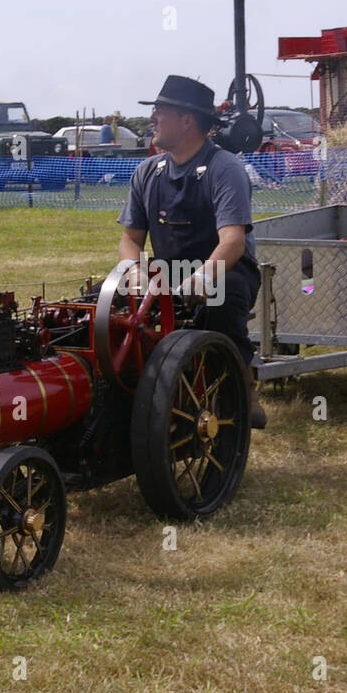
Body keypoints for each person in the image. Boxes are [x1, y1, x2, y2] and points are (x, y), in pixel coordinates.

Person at [117, 75, 266, 429]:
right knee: (104, 307)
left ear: (187, 120)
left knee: (220, 301)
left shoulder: (223, 167)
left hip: (226, 269)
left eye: (159, 112)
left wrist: (201, 278)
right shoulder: (147, 172)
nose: (151, 119)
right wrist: (134, 270)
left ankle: (241, 384)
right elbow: (130, 239)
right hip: (169, 271)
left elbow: (232, 240)